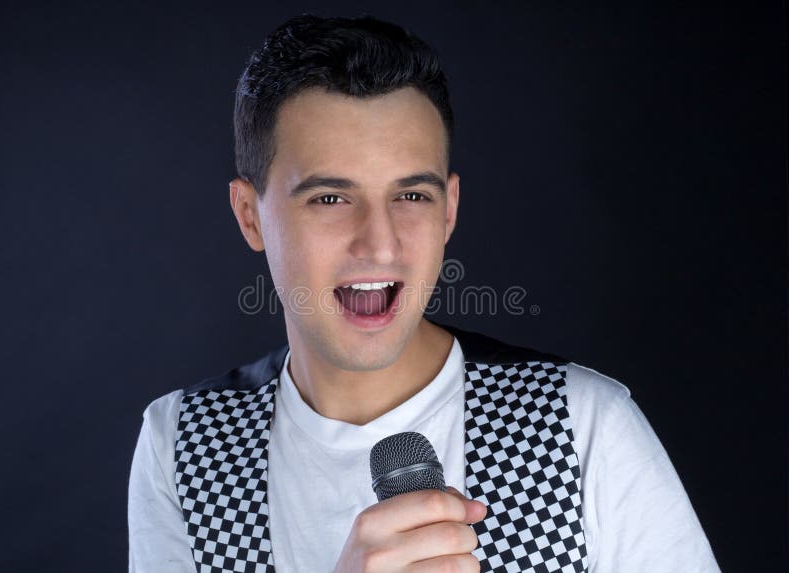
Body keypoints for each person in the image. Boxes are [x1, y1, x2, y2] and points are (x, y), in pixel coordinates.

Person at [128, 13, 721, 573]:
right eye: (330, 198)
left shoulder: (581, 425)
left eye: (412, 196)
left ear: (449, 210)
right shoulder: (185, 445)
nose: (379, 245)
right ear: (249, 217)